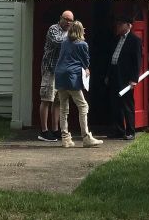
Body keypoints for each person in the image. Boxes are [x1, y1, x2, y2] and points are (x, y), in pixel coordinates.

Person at [54, 20, 102, 148]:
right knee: (83, 106)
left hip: (60, 75)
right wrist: (86, 68)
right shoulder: (82, 44)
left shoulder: (64, 43)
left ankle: (65, 138)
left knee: (64, 108)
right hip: (72, 76)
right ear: (80, 31)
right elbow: (85, 61)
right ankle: (86, 137)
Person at [107, 14, 142, 139]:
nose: (118, 26)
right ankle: (119, 130)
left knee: (127, 104)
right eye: (117, 24)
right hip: (115, 74)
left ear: (128, 25)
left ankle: (130, 131)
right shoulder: (116, 39)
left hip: (126, 77)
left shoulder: (134, 40)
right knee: (115, 104)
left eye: (120, 24)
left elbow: (137, 61)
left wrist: (133, 79)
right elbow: (112, 58)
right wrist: (108, 75)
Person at [38, 10, 70, 142]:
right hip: (50, 69)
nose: (68, 22)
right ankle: (44, 131)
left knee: (58, 101)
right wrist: (73, 36)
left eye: (71, 20)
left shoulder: (69, 32)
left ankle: (55, 130)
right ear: (61, 18)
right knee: (46, 99)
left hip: (61, 71)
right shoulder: (53, 29)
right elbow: (58, 42)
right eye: (66, 19)